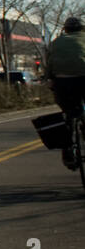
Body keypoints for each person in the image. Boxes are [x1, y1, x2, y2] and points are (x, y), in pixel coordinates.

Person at [44, 16, 85, 169]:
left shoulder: (55, 43)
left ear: (65, 30)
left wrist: (49, 80)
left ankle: (67, 150)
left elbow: (49, 67)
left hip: (63, 83)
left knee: (67, 111)